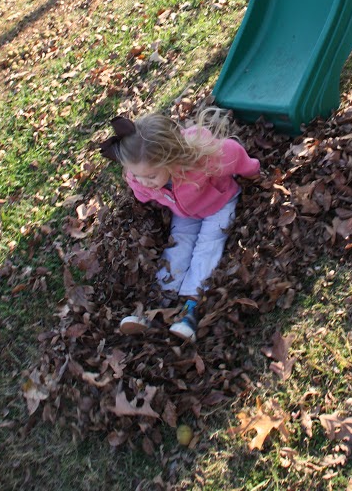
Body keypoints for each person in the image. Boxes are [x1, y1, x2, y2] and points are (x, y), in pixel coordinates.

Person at [100, 108, 260, 343]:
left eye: (151, 176)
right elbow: (140, 189)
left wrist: (253, 170)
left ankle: (190, 308)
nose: (144, 181)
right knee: (178, 249)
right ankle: (155, 305)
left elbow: (234, 153)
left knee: (207, 247)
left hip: (219, 202)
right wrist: (143, 188)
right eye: (137, 175)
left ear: (170, 159)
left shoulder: (201, 158)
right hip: (184, 214)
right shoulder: (139, 175)